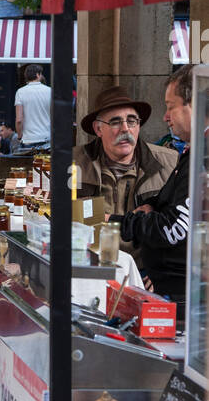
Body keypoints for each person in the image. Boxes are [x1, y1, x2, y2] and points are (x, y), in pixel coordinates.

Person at [111, 68, 192, 321]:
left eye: (171, 107)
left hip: (181, 297)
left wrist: (117, 222)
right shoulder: (192, 153)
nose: (166, 117)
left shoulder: (202, 157)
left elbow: (174, 228)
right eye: (115, 122)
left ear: (195, 105)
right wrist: (152, 205)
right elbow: (173, 202)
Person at [72, 86, 178, 220]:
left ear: (139, 125)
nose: (125, 129)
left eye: (131, 121)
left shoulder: (171, 163)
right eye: (115, 122)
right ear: (98, 129)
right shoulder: (73, 161)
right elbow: (57, 211)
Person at [14, 63, 52, 150]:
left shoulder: (20, 92)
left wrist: (19, 136)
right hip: (46, 137)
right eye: (41, 74)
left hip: (28, 139)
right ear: (38, 75)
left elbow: (19, 120)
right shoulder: (50, 91)